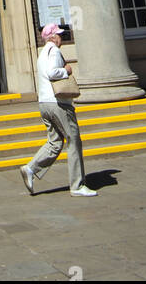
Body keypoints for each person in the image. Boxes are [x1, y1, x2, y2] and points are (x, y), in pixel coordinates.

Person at [19, 23, 97, 197]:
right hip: (58, 103)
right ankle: (77, 185)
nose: (61, 38)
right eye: (59, 35)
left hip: (45, 103)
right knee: (74, 140)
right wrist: (66, 70)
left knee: (54, 142)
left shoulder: (42, 53)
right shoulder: (53, 51)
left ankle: (30, 169)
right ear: (52, 37)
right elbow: (52, 73)